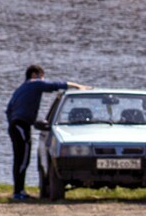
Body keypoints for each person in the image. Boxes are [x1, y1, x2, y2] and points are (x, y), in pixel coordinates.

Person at [6, 65, 89, 200]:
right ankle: (18, 192)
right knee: (23, 159)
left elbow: (9, 109)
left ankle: (18, 191)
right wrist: (78, 87)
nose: (43, 80)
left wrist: (13, 124)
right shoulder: (34, 83)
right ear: (34, 75)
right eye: (42, 76)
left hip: (16, 125)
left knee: (19, 159)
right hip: (21, 126)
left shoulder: (21, 88)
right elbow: (56, 85)